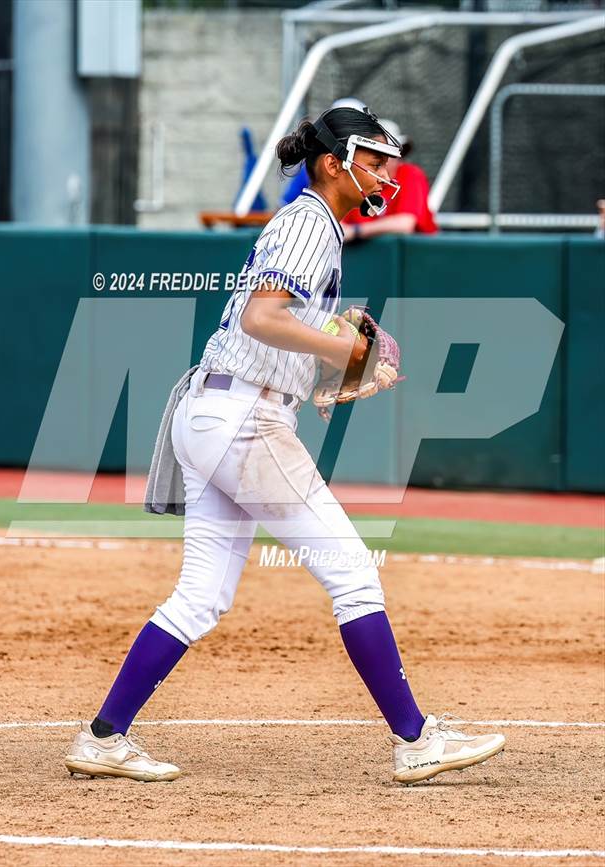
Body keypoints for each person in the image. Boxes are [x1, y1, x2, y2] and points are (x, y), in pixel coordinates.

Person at [64, 107, 504, 785]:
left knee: (201, 595)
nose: (386, 175)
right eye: (374, 161)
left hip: (219, 408)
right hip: (244, 418)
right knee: (353, 574)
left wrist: (335, 370)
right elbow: (261, 316)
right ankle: (416, 740)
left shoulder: (312, 223)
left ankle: (103, 737)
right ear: (333, 163)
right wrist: (342, 349)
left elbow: (274, 330)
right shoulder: (310, 223)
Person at [342, 119, 437, 240]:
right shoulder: (357, 179)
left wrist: (356, 231)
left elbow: (404, 224)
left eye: (391, 153)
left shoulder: (410, 174)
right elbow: (340, 222)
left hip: (417, 251)